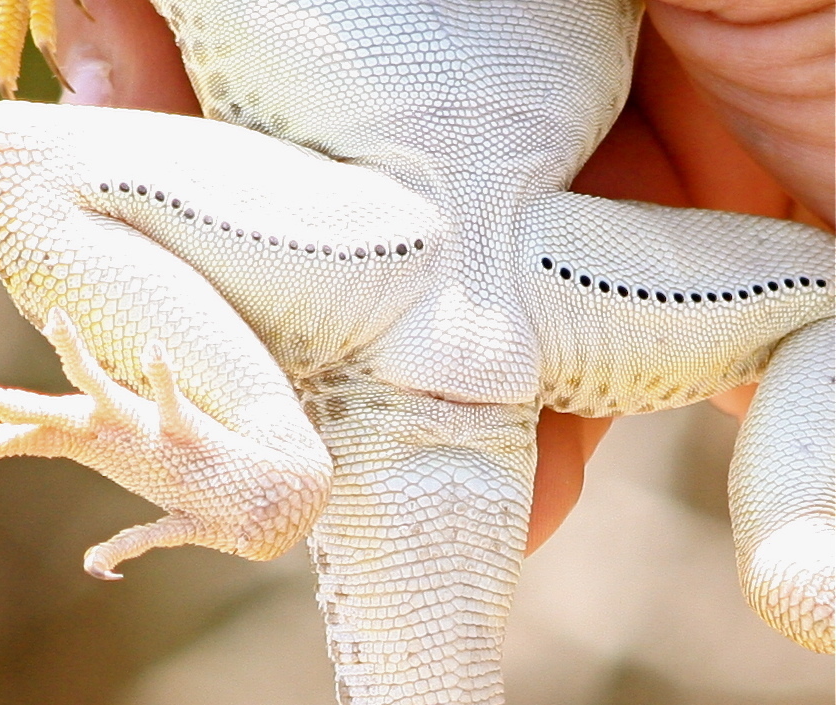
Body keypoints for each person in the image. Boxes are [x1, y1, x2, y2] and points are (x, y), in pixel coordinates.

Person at [48, 0, 834, 553]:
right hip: (535, 258)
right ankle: (801, 558)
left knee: (10, 158)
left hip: (389, 244)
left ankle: (263, 466)